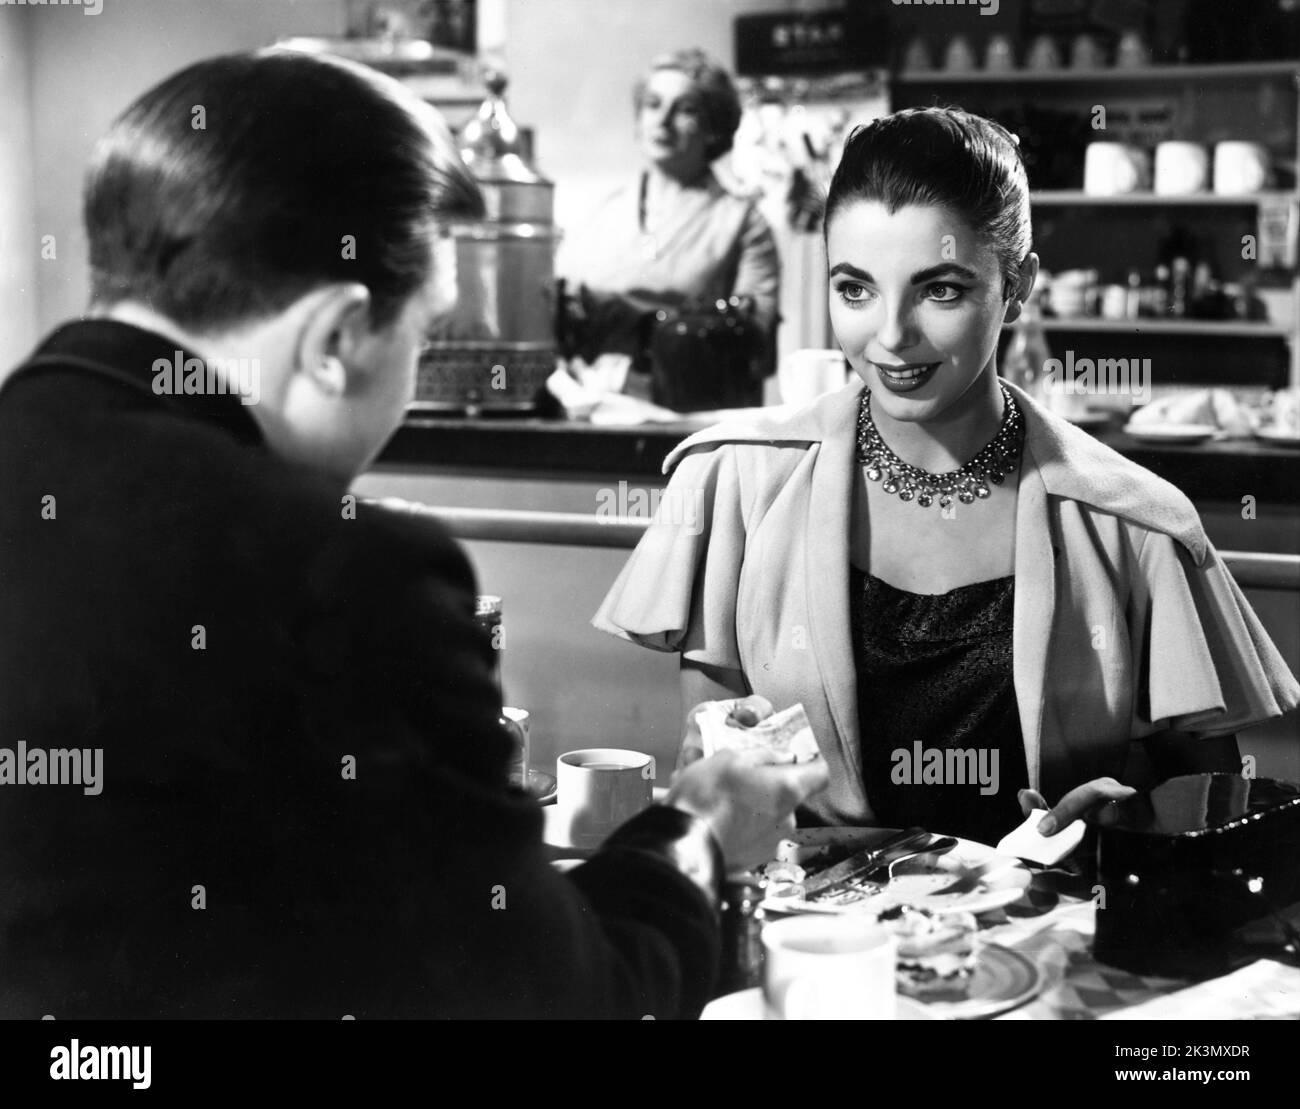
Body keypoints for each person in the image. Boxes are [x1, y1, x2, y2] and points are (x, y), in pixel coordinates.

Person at [0, 49, 827, 1020]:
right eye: (427, 336)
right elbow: (552, 999)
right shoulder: (344, 571)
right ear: (339, 338)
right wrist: (696, 829)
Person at [594, 107, 1299, 845]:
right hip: (814, 946)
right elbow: (707, 785)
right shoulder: (735, 482)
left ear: (1018, 287)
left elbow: (1215, 822)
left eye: (940, 290)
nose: (892, 335)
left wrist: (1131, 823)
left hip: (1043, 945)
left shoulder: (1134, 523)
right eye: (855, 289)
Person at [559, 48, 780, 411]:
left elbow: (753, 347)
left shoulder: (743, 223)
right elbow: (560, 316)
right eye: (652, 104)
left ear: (714, 128)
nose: (662, 121)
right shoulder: (599, 211)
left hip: (690, 422)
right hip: (591, 414)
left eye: (686, 109)